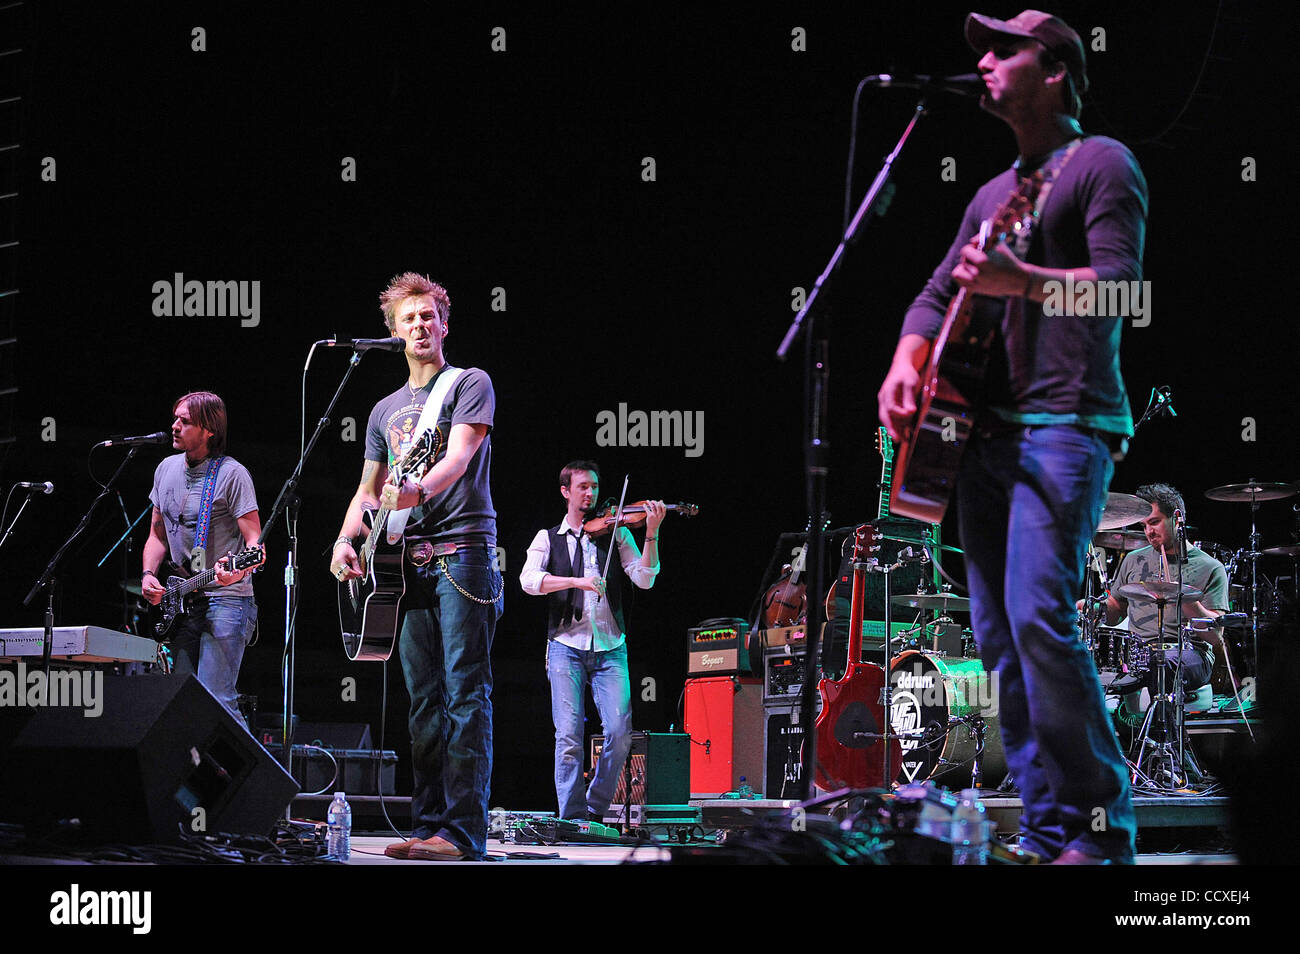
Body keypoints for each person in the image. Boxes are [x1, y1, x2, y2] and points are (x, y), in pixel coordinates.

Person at [877, 10, 1148, 864]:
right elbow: (932, 293)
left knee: (1038, 618)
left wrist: (1022, 281)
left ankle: (1103, 833)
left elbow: (1118, 294)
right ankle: (1045, 830)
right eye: (982, 51)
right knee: (998, 640)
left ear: (1058, 68)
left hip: (1065, 426)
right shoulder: (992, 195)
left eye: (1005, 49)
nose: (985, 62)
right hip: (979, 439)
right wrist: (906, 358)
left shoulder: (1104, 163)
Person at [330, 272, 503, 862]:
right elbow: (366, 491)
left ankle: (461, 836)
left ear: (444, 324)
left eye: (429, 316)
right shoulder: (382, 411)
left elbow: (457, 458)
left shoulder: (469, 384)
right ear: (396, 332)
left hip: (462, 555)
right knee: (424, 701)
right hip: (403, 566)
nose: (420, 325)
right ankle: (428, 827)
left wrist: (417, 493)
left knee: (465, 696)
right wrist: (344, 539)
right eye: (410, 319)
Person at [519, 462, 664, 823]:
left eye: (595, 487)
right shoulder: (546, 538)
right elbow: (528, 580)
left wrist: (651, 533)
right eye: (583, 486)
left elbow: (645, 579)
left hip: (611, 647)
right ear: (566, 491)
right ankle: (571, 817)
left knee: (619, 732)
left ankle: (594, 815)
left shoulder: (615, 533)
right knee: (568, 735)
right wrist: (575, 582)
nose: (591, 494)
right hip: (565, 647)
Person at [141, 391, 263, 722]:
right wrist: (148, 575)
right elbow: (156, 535)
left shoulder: (232, 475)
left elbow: (256, 545)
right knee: (178, 701)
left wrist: (236, 572)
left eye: (185, 421)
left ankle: (257, 774)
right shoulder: (165, 469)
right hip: (183, 599)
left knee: (217, 701)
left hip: (227, 598)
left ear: (209, 429)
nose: (175, 426)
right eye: (175, 418)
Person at [1104, 483, 1228, 700]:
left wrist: (1184, 598)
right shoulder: (1134, 560)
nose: (1149, 532)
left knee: (1161, 664)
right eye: (1143, 526)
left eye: (1154, 522)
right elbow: (1115, 613)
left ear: (1177, 519)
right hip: (1137, 655)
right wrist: (1093, 608)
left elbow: (1215, 636)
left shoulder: (1211, 567)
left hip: (1191, 654)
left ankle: (1161, 733)